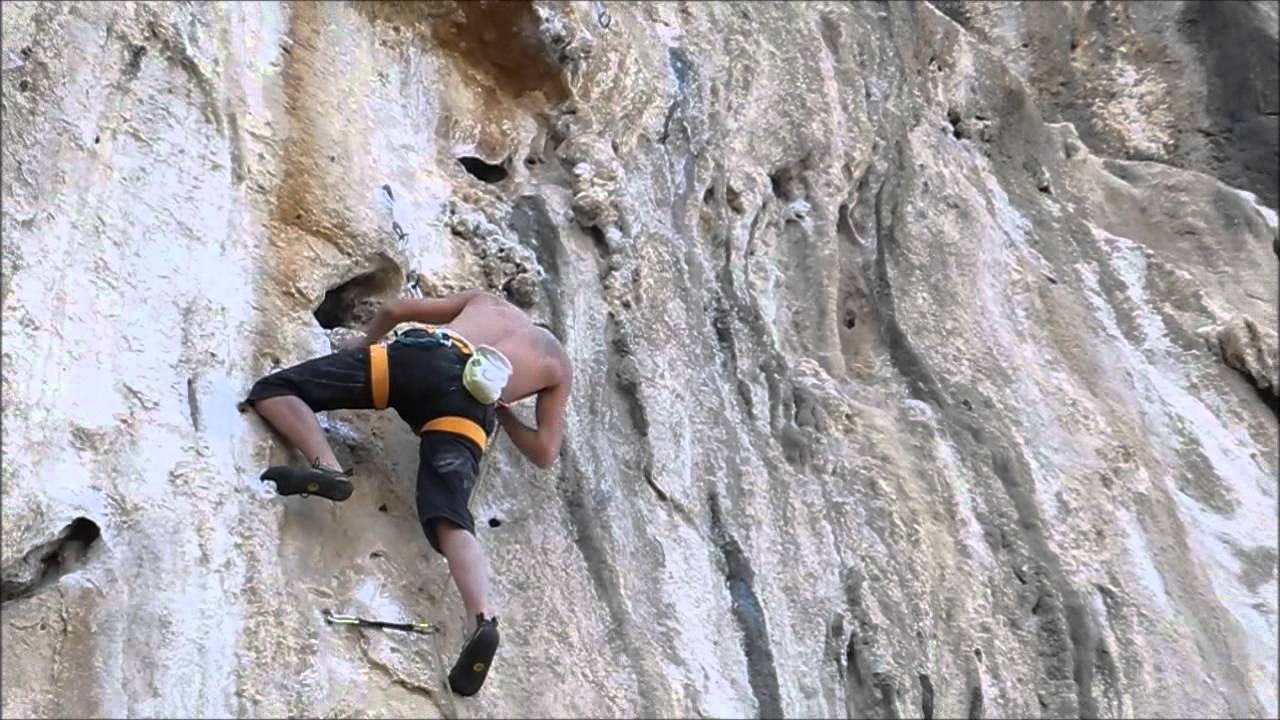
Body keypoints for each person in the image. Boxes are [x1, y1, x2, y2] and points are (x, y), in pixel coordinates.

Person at [242, 288, 573, 696]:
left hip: (424, 360)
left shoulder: (490, 302)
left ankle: (327, 466)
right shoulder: (557, 361)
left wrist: (362, 345)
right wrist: (504, 415)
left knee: (275, 390)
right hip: (471, 405)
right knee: (450, 518)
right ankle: (482, 618)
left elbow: (396, 309)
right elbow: (544, 451)